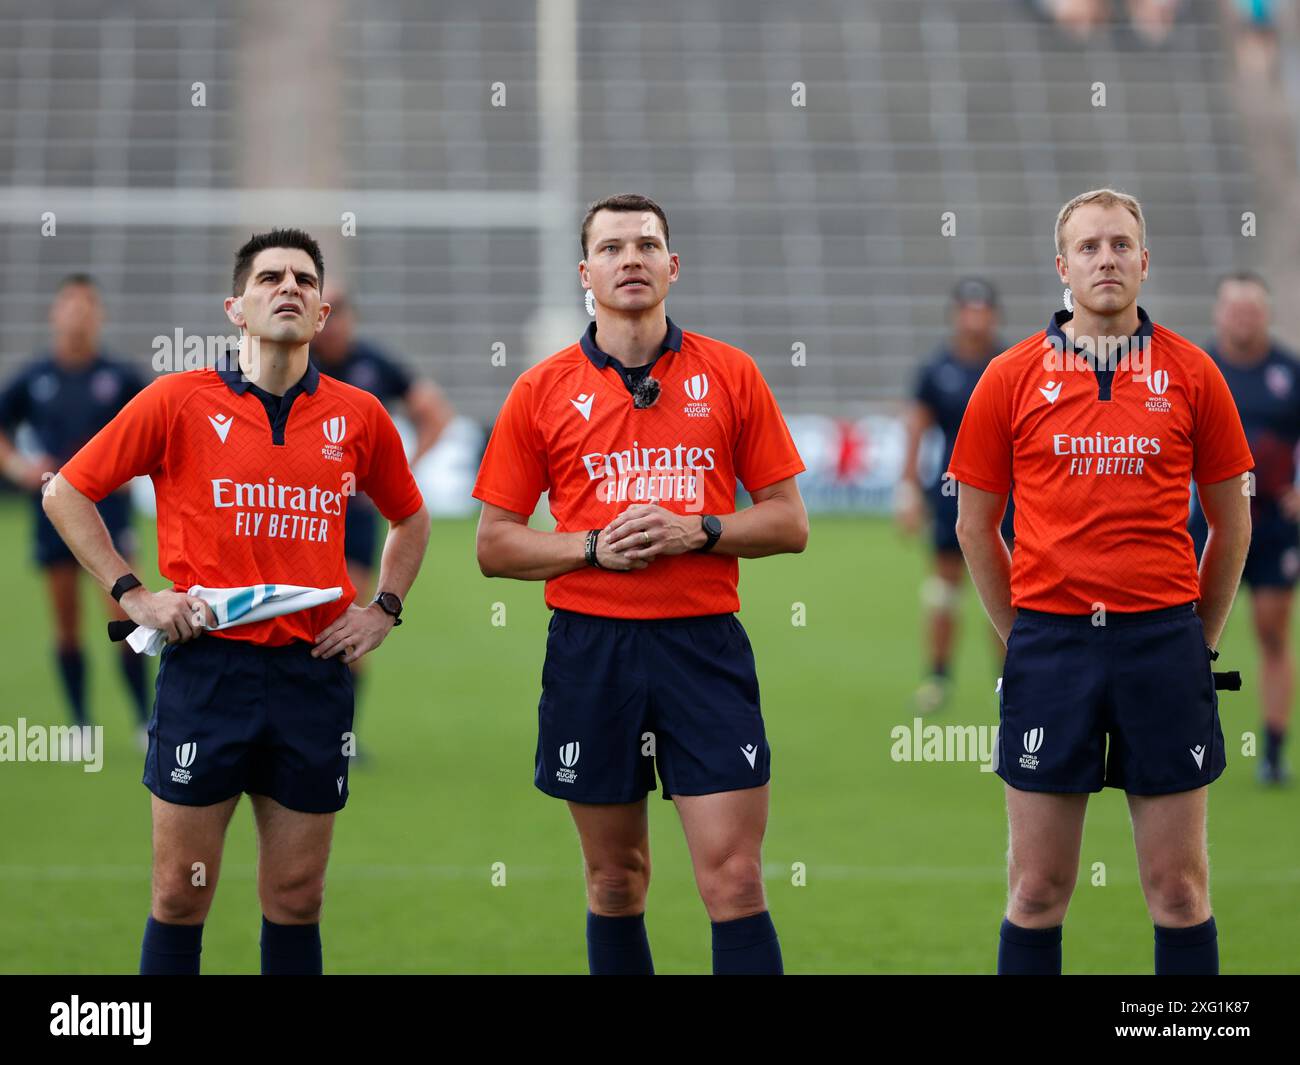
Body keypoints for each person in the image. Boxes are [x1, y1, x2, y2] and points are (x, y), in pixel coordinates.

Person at [42, 229, 431, 975]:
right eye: (269, 278)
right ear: (236, 307)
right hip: (206, 672)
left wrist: (383, 607)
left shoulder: (358, 415)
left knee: (295, 895)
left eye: (304, 280)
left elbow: (410, 515)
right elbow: (66, 490)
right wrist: (132, 593)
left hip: (312, 675)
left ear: (322, 313)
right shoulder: (177, 400)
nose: (288, 287)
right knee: (180, 895)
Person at [473, 194, 808, 975]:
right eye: (613, 247)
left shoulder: (731, 374)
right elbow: (494, 544)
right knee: (615, 878)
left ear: (673, 266)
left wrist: (702, 529)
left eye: (647, 245)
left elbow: (790, 522)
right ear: (585, 272)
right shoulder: (540, 390)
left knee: (735, 878)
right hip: (593, 650)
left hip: (704, 648)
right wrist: (591, 546)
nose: (632, 259)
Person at [949, 188, 1252, 975]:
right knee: (1039, 887)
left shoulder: (1194, 373)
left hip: (1164, 643)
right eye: (1089, 247)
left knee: (1179, 890)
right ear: (1062, 266)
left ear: (1145, 262)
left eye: (1121, 244)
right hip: (1051, 647)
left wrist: (1200, 638)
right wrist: (1025, 637)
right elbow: (975, 526)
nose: (1106, 259)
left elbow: (1232, 523)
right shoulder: (1010, 377)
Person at [0, 275, 149, 740]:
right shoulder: (34, 378)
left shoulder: (120, 376)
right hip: (54, 514)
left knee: (127, 616)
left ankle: (146, 719)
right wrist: (19, 468)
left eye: (87, 306)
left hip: (110, 514)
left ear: (99, 315)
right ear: (55, 314)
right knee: (66, 625)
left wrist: (131, 472)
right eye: (70, 306)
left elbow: (157, 431)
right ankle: (81, 723)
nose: (78, 315)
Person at [311, 288, 453, 736]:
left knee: (344, 619)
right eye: (325, 318)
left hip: (353, 514)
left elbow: (435, 413)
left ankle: (340, 734)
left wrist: (400, 473)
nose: (332, 327)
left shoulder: (374, 363)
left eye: (339, 316)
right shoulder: (296, 363)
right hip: (300, 509)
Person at [1189, 273, 1299, 784]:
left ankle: (1273, 750)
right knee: (1195, 635)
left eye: (1252, 309)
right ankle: (1187, 739)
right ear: (1218, 313)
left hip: (1274, 525)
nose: (1243, 318)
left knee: (1272, 630)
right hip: (1207, 525)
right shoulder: (1195, 370)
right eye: (1235, 309)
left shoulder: (1288, 373)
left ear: (1266, 314)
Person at [897, 278, 1014, 713]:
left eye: (982, 310)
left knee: (1006, 591)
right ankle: (938, 678)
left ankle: (1010, 681)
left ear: (993, 316)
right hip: (951, 494)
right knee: (944, 591)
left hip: (1007, 496)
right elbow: (917, 429)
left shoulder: (1010, 364)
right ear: (956, 315)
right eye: (967, 310)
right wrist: (908, 490)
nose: (974, 319)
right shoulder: (936, 369)